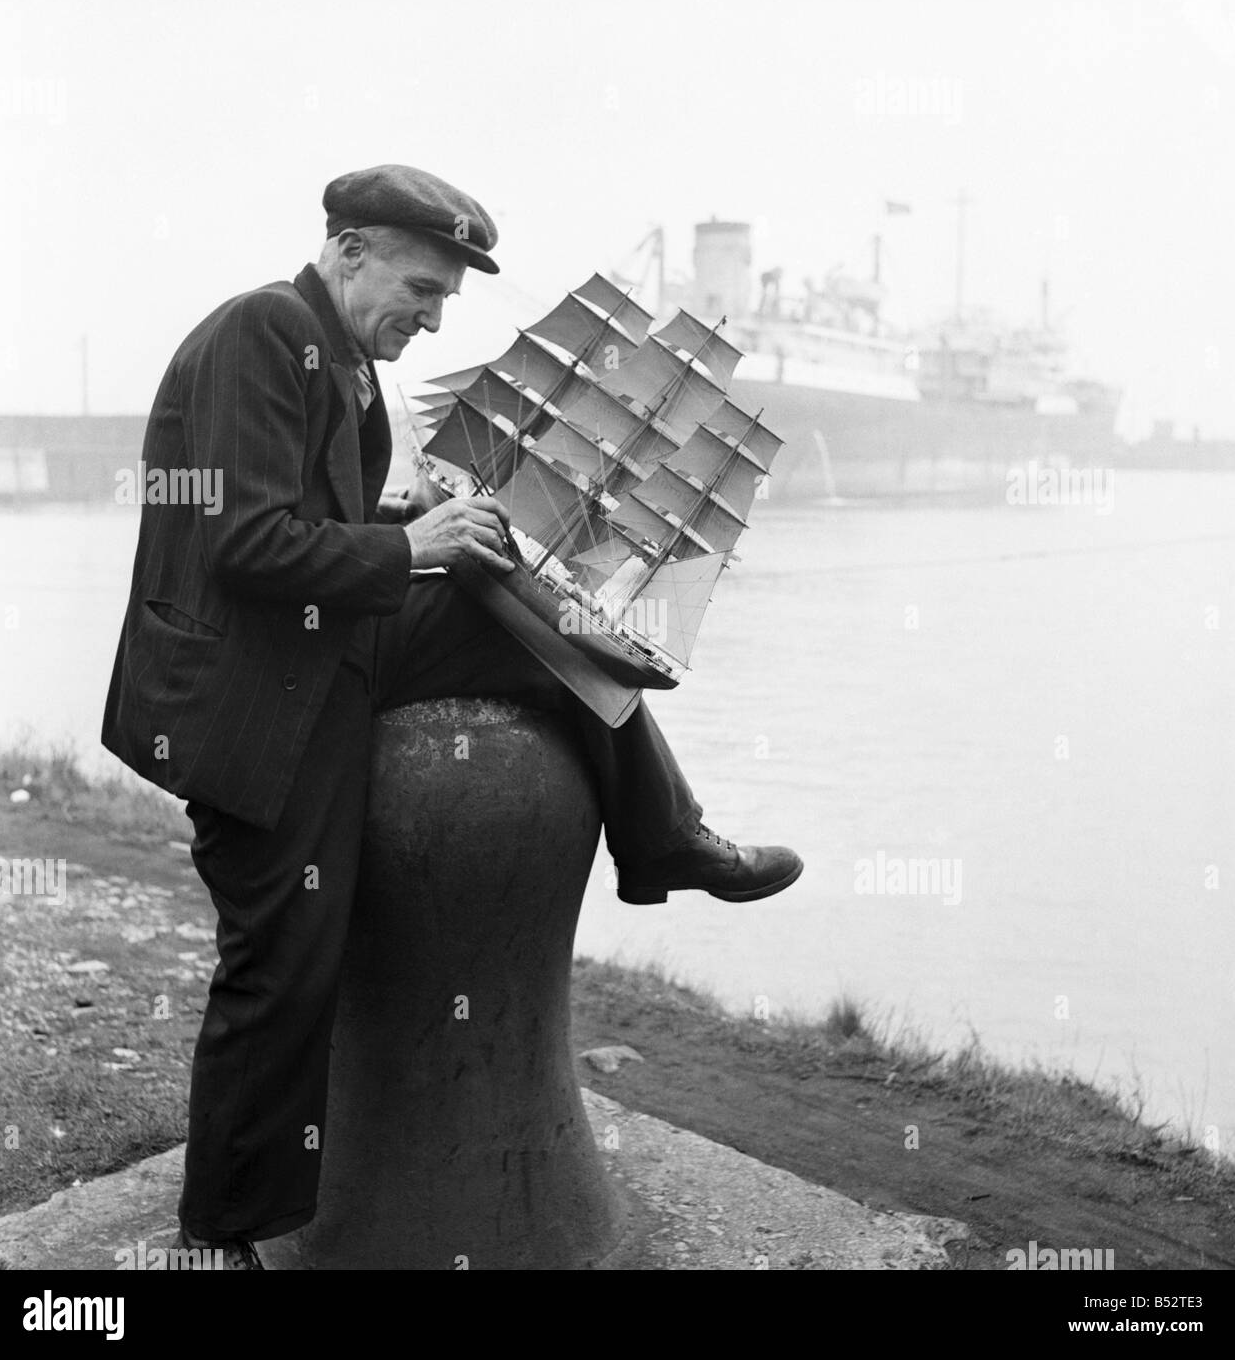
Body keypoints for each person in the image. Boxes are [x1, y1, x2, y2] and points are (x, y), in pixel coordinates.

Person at [101, 164, 803, 1269]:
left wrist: (405, 510)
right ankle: (215, 1230)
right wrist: (410, 547)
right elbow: (240, 545)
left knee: (545, 628)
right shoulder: (258, 334)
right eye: (421, 290)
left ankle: (663, 830)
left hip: (317, 649)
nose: (429, 320)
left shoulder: (330, 357)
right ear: (348, 252)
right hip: (248, 700)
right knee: (281, 966)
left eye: (442, 303)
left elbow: (306, 514)